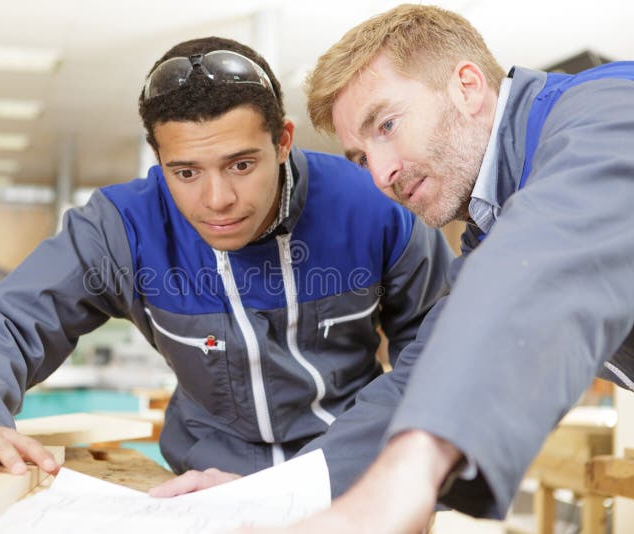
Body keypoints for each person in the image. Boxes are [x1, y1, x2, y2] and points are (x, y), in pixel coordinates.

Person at [0, 36, 453, 496]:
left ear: (283, 141)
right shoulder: (122, 228)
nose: (217, 200)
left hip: (353, 484)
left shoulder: (375, 206)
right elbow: (4, 319)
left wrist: (311, 487)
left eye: (241, 165)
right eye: (186, 172)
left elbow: (439, 357)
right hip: (200, 492)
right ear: (159, 159)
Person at [252, 4, 634, 532]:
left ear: (467, 87)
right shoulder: (492, 230)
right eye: (361, 157)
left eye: (387, 125)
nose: (380, 174)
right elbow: (418, 383)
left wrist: (410, 472)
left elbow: (546, 256)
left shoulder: (610, 109)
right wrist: (266, 498)